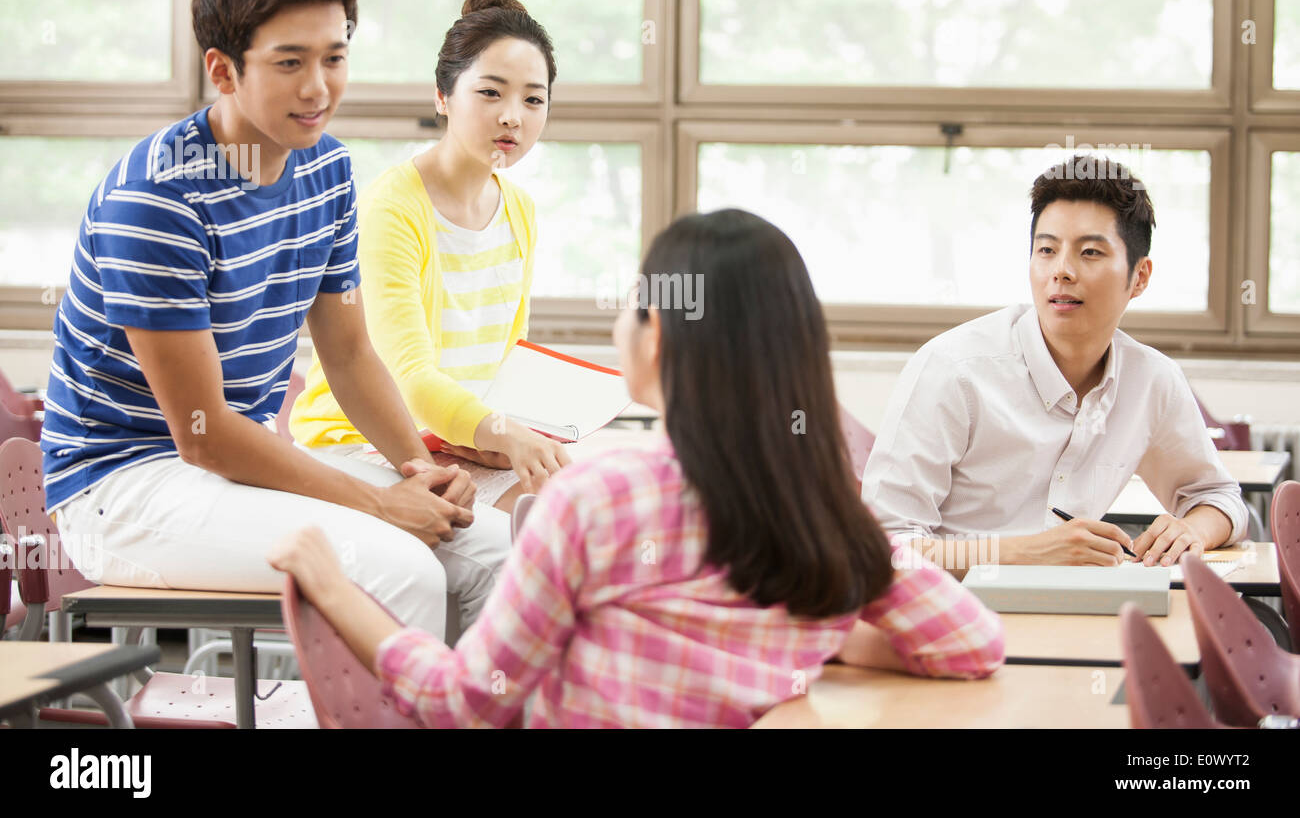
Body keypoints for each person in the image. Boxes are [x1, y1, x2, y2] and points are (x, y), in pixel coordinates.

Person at [270, 209, 1004, 728]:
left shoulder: (595, 500)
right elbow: (971, 644)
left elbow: (467, 703)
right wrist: (816, 636)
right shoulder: (832, 521)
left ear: (656, 340)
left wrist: (334, 586)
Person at [40, 0, 509, 641]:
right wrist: (381, 506)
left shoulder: (327, 171)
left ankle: (472, 701)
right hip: (124, 489)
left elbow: (349, 354)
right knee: (399, 567)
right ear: (224, 70)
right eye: (290, 62)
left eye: (334, 57)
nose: (318, 87)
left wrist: (417, 472)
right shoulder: (158, 199)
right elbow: (202, 437)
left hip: (241, 463)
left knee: (500, 550)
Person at [862, 155, 1248, 572]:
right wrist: (1027, 553)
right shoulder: (954, 371)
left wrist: (1192, 530)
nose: (1061, 271)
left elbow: (1219, 497)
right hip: (954, 605)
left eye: (1090, 252)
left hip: (1074, 602)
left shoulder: (1150, 380)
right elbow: (884, 549)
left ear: (1139, 277)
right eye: (1046, 250)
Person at [290, 0, 568, 512]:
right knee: (525, 536)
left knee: (578, 509)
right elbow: (409, 379)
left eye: (533, 100)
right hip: (363, 446)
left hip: (457, 440)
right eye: (491, 93)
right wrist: (501, 434)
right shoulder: (392, 209)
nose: (513, 116)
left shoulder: (520, 210)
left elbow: (509, 358)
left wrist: (501, 434)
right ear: (443, 97)